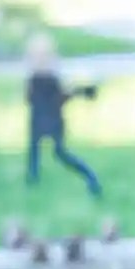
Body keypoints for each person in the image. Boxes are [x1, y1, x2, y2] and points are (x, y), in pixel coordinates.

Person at [24, 34, 102, 198]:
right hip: (44, 121)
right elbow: (60, 96)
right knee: (42, 151)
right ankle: (33, 179)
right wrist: (81, 92)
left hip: (48, 121)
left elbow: (58, 97)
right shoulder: (40, 80)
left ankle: (90, 176)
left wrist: (79, 92)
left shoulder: (45, 80)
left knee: (55, 152)